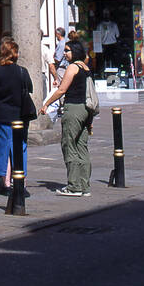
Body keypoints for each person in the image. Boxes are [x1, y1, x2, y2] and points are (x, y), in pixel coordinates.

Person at [40, 39, 93, 196]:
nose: (64, 53)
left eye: (67, 50)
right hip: (85, 109)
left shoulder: (73, 67)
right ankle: (84, 185)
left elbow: (62, 90)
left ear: (75, 52)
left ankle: (74, 186)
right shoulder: (85, 67)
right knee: (81, 146)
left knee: (69, 144)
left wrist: (46, 103)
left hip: (74, 109)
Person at [0, 36, 34, 192]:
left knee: (1, 147)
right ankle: (20, 181)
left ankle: (3, 181)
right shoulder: (22, 71)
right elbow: (29, 89)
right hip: (20, 116)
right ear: (15, 54)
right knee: (20, 147)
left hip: (1, 115)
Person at [46, 27, 67, 122]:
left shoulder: (61, 44)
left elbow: (58, 58)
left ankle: (62, 106)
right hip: (63, 68)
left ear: (59, 34)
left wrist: (53, 59)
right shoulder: (65, 42)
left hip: (61, 68)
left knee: (61, 86)